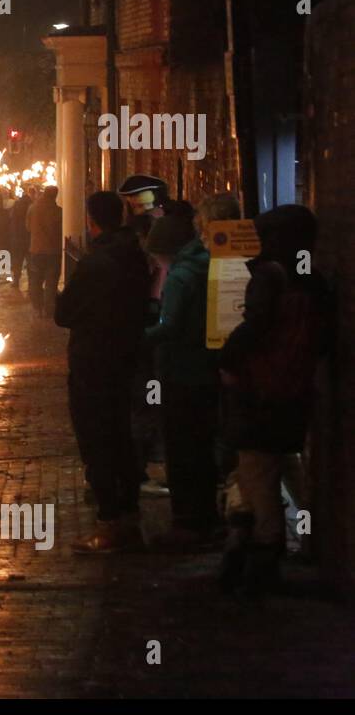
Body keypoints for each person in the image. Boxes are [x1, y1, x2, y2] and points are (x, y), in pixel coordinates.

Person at [218, 205, 333, 594]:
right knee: (279, 467)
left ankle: (265, 556)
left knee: (256, 474)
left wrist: (226, 359)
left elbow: (255, 327)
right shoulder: (313, 282)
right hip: (294, 392)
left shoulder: (270, 277)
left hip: (260, 392)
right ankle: (296, 537)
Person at [54, 191, 150, 553]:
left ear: (92, 221)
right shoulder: (134, 256)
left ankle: (109, 522)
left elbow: (63, 314)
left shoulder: (96, 264)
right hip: (126, 359)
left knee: (97, 441)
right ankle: (129, 517)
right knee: (121, 437)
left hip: (94, 362)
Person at [143, 212, 220, 549]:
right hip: (206, 368)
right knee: (202, 448)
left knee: (182, 448)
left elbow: (168, 325)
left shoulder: (180, 276)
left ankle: (186, 522)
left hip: (180, 371)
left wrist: (138, 336)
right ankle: (206, 519)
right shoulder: (208, 264)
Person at [26, 185, 62, 316]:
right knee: (51, 283)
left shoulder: (32, 208)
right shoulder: (58, 212)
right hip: (53, 251)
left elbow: (28, 227)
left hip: (36, 250)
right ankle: (48, 309)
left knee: (35, 280)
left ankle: (37, 307)